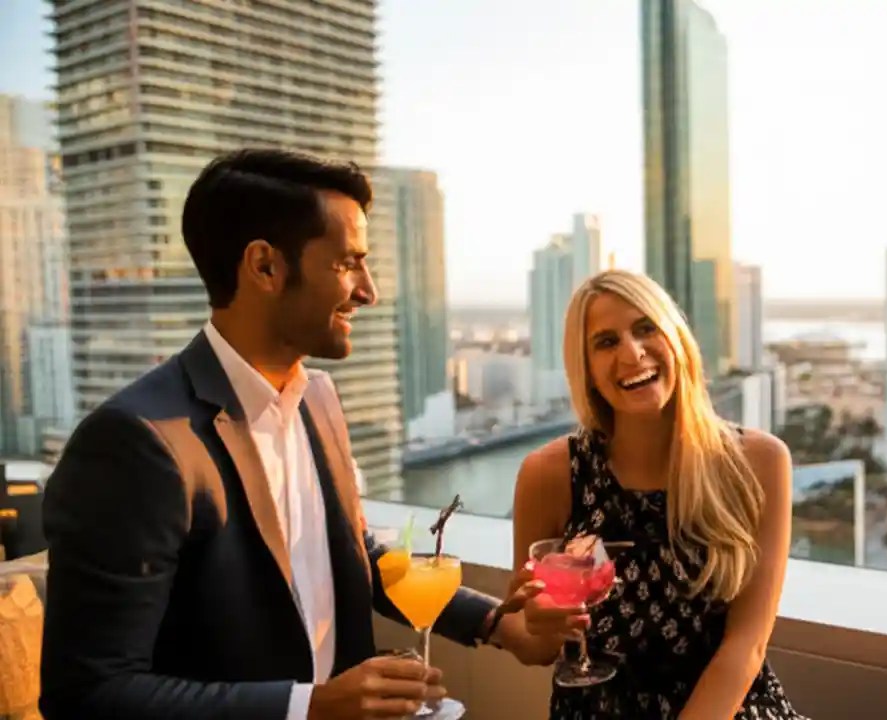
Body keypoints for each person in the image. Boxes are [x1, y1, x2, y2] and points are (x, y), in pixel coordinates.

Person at [39, 149, 572, 720]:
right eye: (348, 264)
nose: (368, 291)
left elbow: (349, 552)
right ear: (265, 267)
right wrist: (308, 707)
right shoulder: (136, 442)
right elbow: (87, 694)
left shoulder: (318, 397)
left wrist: (495, 623)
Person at [513, 270, 808, 719]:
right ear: (586, 368)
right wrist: (538, 621)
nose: (633, 353)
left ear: (677, 339)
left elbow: (747, 645)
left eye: (646, 328)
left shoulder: (759, 462)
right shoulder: (548, 475)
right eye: (606, 342)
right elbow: (537, 646)